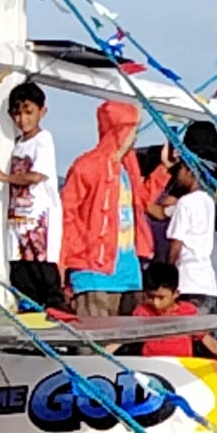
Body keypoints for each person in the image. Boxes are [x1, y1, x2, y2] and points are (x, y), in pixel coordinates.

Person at [60, 100, 152, 320]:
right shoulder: (86, 166)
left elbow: (143, 202)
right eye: (132, 131)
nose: (135, 137)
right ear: (119, 131)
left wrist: (164, 171)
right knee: (93, 346)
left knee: (129, 348)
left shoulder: (127, 168)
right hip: (93, 275)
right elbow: (67, 216)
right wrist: (67, 264)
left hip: (129, 275)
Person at [0, 80, 66, 314]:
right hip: (18, 226)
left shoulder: (43, 140)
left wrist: (5, 178)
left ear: (41, 112)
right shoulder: (15, 144)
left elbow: (36, 176)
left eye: (28, 112)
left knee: (45, 278)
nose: (22, 119)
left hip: (39, 225)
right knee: (23, 281)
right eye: (17, 113)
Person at [114, 261, 217, 361]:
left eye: (161, 298)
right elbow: (123, 337)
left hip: (182, 366)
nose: (156, 303)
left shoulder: (187, 312)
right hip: (151, 365)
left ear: (176, 294)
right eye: (151, 297)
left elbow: (206, 339)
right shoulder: (143, 312)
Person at [162, 161, 217, 320]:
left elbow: (176, 244)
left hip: (187, 281)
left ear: (191, 172)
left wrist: (168, 275)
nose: (178, 175)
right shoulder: (209, 201)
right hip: (207, 283)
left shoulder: (185, 202)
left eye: (181, 169)